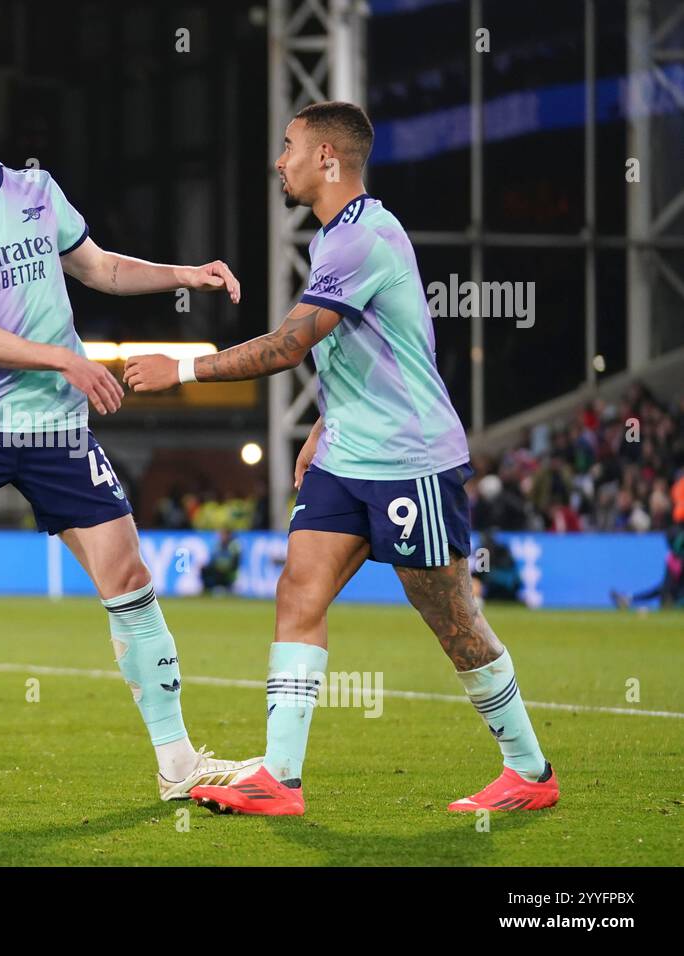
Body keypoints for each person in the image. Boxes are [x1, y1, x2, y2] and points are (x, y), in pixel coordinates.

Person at [126, 102, 558, 815]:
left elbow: (287, 345)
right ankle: (280, 779)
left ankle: (530, 771)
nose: (279, 160)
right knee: (298, 590)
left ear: (327, 157)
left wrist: (182, 371)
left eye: (289, 146)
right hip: (349, 457)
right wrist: (326, 421)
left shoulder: (363, 239)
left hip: (408, 461)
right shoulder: (339, 238)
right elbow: (373, 345)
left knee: (451, 619)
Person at [0, 50, 256, 810]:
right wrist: (64, 361)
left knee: (128, 578)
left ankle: (179, 765)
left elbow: (99, 269)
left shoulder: (37, 191)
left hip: (53, 427)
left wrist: (184, 274)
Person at [200, 528, 243, 594]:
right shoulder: (218, 545)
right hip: (218, 569)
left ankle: (228, 586)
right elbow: (213, 560)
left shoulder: (234, 545)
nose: (221, 537)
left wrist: (222, 566)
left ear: (228, 535)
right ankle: (207, 589)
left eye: (223, 535)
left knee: (220, 571)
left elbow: (235, 563)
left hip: (229, 572)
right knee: (204, 569)